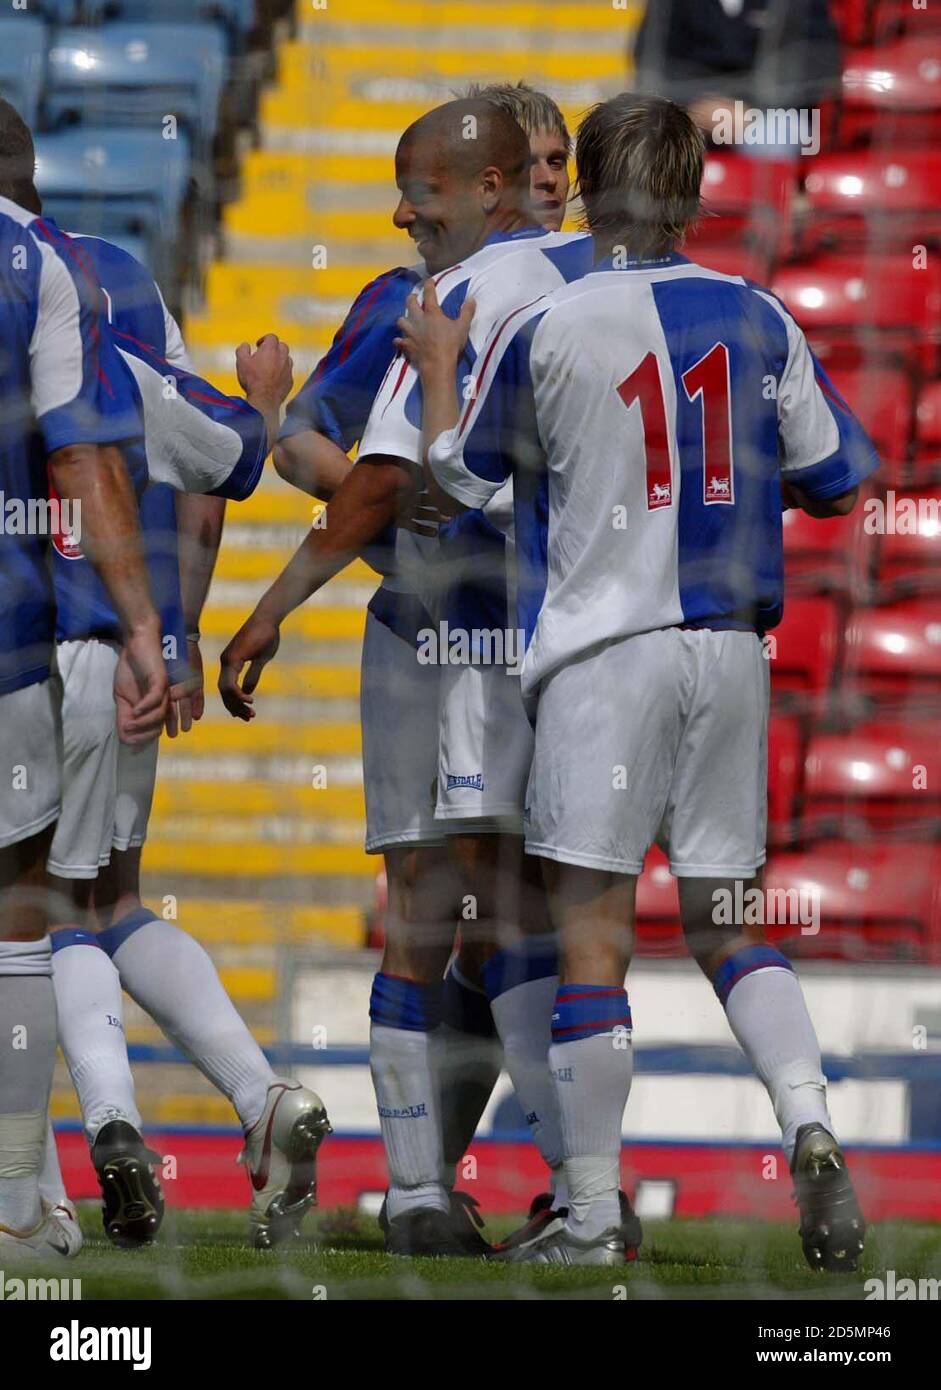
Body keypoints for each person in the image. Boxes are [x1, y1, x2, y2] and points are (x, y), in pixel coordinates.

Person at [403, 92, 876, 1268]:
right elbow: (835, 479)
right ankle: (810, 1122)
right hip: (730, 652)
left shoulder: (551, 324)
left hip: (602, 657)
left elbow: (456, 484)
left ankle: (594, 1215)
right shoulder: (761, 315)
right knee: (726, 920)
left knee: (591, 942)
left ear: (592, 191)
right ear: (695, 197)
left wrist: (446, 376)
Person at [220, 97, 602, 1256]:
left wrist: (277, 596)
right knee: (488, 922)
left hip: (487, 642)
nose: (548, 183)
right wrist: (311, 441)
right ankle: (532, 1193)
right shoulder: (463, 294)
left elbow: (376, 485)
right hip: (506, 637)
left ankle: (483, 1190)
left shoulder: (504, 293)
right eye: (531, 163)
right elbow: (355, 475)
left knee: (470, 920)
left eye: (556, 165)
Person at [0, 176, 167, 1261]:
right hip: (13, 630)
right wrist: (146, 621)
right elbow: (79, 455)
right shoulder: (39, 262)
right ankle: (16, 1198)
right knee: (25, 911)